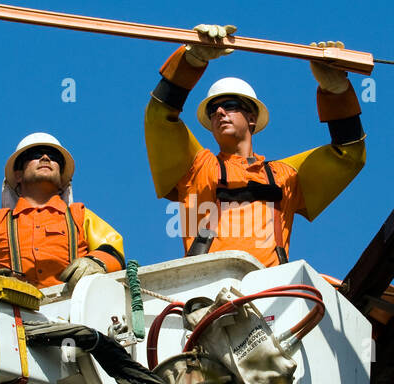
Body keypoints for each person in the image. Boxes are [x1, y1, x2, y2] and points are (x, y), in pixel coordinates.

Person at [144, 23, 365, 266]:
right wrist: (191, 60)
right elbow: (159, 116)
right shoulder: (196, 168)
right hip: (206, 289)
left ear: (252, 118)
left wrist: (336, 91)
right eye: (212, 110)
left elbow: (349, 154)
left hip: (269, 292)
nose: (218, 112)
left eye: (229, 105)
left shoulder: (284, 177)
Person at [0, 132, 125, 293]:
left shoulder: (79, 215)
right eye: (35, 155)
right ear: (18, 175)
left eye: (54, 157)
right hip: (11, 318)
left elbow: (113, 250)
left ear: (63, 179)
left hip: (73, 313)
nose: (46, 158)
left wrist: (96, 262)